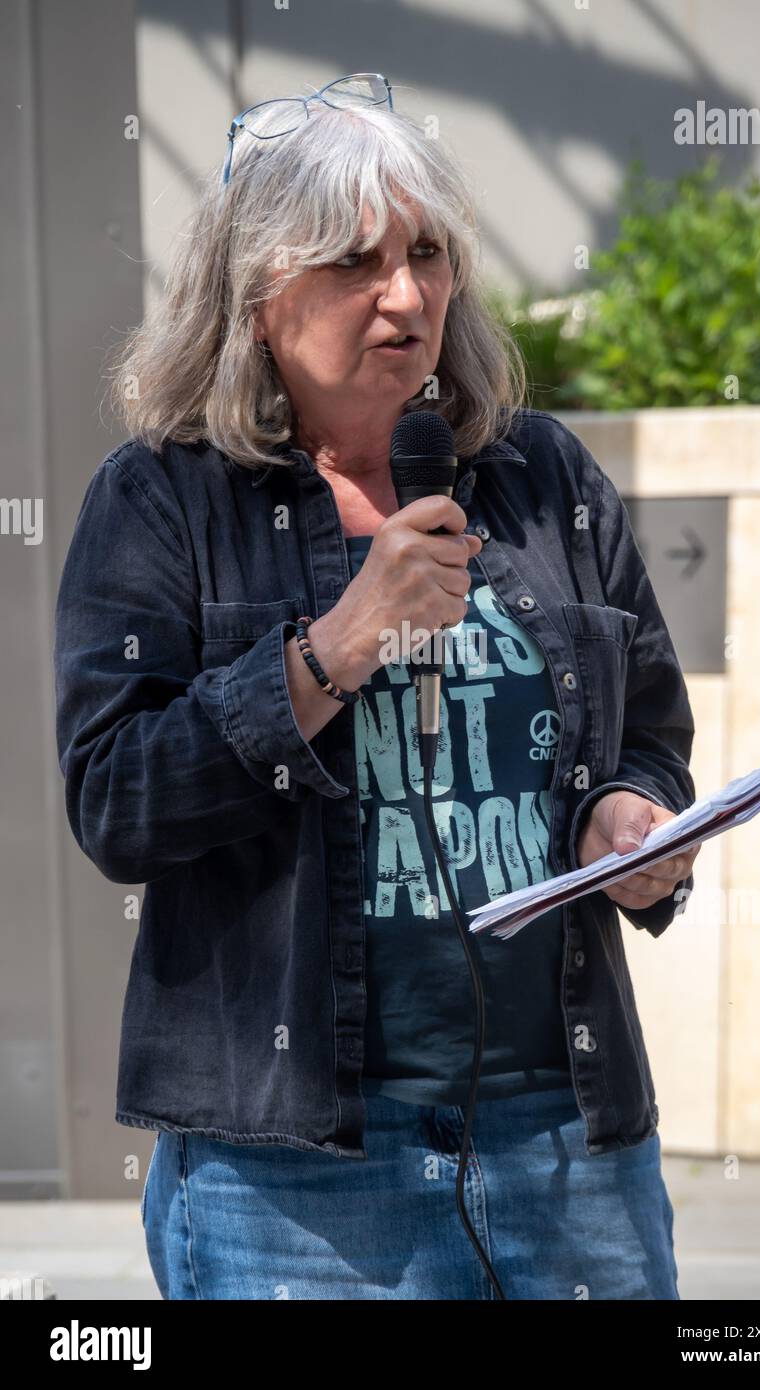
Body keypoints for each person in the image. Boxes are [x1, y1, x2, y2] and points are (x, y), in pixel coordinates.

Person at [54, 76, 700, 1301]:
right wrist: (336, 644)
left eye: (426, 253)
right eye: (354, 261)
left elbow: (647, 735)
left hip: (566, 1144)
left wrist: (633, 821)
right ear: (255, 296)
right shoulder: (161, 500)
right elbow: (117, 801)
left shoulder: (539, 475)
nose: (405, 295)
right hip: (298, 1180)